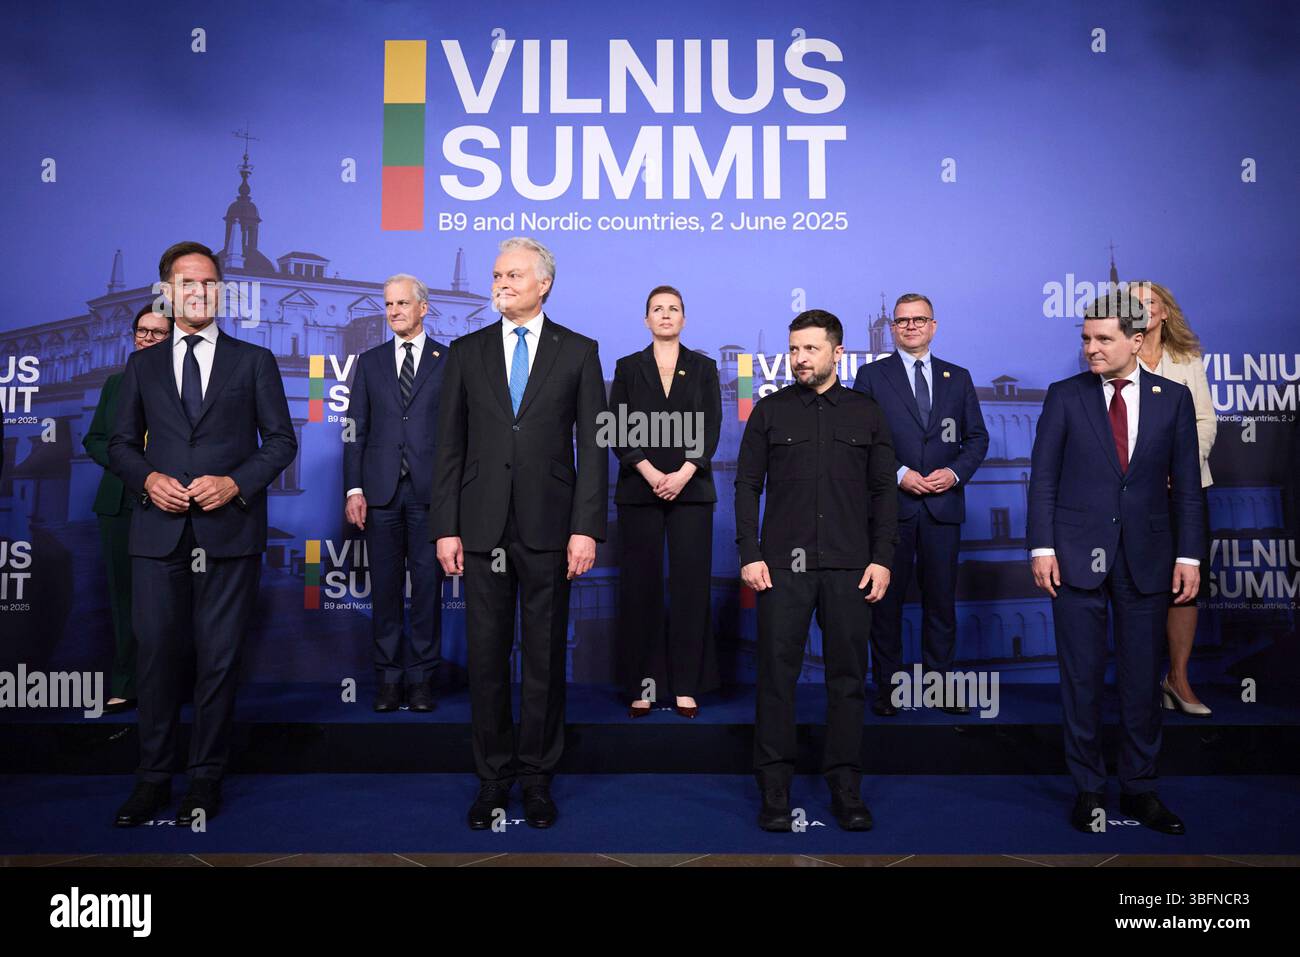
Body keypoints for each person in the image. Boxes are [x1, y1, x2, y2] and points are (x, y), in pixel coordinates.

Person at [108, 241, 297, 826]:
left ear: (222, 291)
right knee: (159, 657)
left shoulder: (255, 361)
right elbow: (117, 445)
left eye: (210, 282)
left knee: (218, 661)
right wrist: (149, 479)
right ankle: (152, 779)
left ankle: (205, 780)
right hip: (156, 530)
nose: (199, 291)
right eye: (187, 282)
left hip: (230, 530)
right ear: (168, 291)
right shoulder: (141, 365)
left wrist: (235, 484)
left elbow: (282, 443)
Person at [432, 236, 607, 830]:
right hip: (480, 527)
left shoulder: (580, 352)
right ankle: (492, 779)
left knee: (544, 657)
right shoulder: (465, 351)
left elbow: (595, 449)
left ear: (543, 284)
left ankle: (536, 778)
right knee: (484, 658)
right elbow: (449, 448)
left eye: (512, 275)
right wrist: (445, 528)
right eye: (496, 274)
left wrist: (586, 528)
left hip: (551, 529)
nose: (500, 283)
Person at [1028, 290, 1203, 835]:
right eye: (1085, 339)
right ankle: (1088, 791)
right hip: (1075, 559)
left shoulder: (1173, 398)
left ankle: (1140, 789)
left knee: (1139, 682)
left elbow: (1188, 491)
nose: (1091, 349)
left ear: (1135, 339)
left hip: (1149, 559)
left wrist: (1189, 555)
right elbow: (1045, 480)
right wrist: (1041, 548)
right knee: (1080, 682)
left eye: (1103, 339)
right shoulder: (1064, 396)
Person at [735, 309, 897, 832]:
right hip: (782, 568)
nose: (800, 359)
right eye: (794, 349)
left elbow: (883, 492)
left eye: (810, 349)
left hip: (851, 567)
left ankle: (846, 788)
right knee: (776, 681)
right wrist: (750, 553)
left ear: (837, 353)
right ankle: (775, 790)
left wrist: (882, 557)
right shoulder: (768, 412)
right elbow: (746, 486)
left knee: (848, 681)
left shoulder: (867, 413)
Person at [852, 293, 988, 715]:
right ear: (892, 328)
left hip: (944, 508)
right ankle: (889, 690)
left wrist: (955, 473)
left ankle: (941, 687)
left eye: (919, 319)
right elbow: (862, 440)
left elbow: (977, 438)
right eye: (902, 321)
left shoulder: (958, 377)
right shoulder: (872, 376)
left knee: (941, 602)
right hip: (892, 508)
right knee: (885, 602)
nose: (910, 326)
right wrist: (898, 474)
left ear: (933, 325)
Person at [608, 286, 721, 719]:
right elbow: (616, 428)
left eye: (674, 308)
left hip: (692, 491)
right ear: (646, 320)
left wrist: (685, 473)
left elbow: (711, 426)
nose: (666, 314)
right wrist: (654, 474)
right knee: (641, 589)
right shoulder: (627, 367)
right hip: (640, 490)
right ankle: (644, 686)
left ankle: (687, 686)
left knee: (691, 589)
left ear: (684, 319)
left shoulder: (705, 368)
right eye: (658, 309)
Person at [343, 274, 447, 713]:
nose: (394, 312)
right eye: (388, 305)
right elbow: (355, 431)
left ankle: (421, 680)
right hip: (380, 494)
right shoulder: (369, 362)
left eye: (403, 303)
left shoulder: (452, 359)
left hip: (431, 494)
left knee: (426, 591)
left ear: (423, 307)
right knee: (384, 591)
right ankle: (388, 680)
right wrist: (354, 488)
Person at [1130, 280, 1217, 716]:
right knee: (1140, 585)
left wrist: (1177, 469)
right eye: (1135, 303)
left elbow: (1205, 421)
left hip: (1186, 489)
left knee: (1185, 586)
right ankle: (1142, 684)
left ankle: (1178, 679)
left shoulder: (1188, 361)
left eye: (1151, 303)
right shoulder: (1115, 357)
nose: (1144, 309)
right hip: (1134, 492)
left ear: (1165, 312)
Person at [82, 305, 173, 715]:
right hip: (119, 502)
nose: (146, 339)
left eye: (157, 334)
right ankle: (125, 682)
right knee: (123, 599)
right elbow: (96, 439)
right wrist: (136, 471)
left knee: (170, 603)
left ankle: (169, 684)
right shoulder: (116, 384)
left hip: (172, 504)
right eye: (142, 331)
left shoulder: (187, 387)